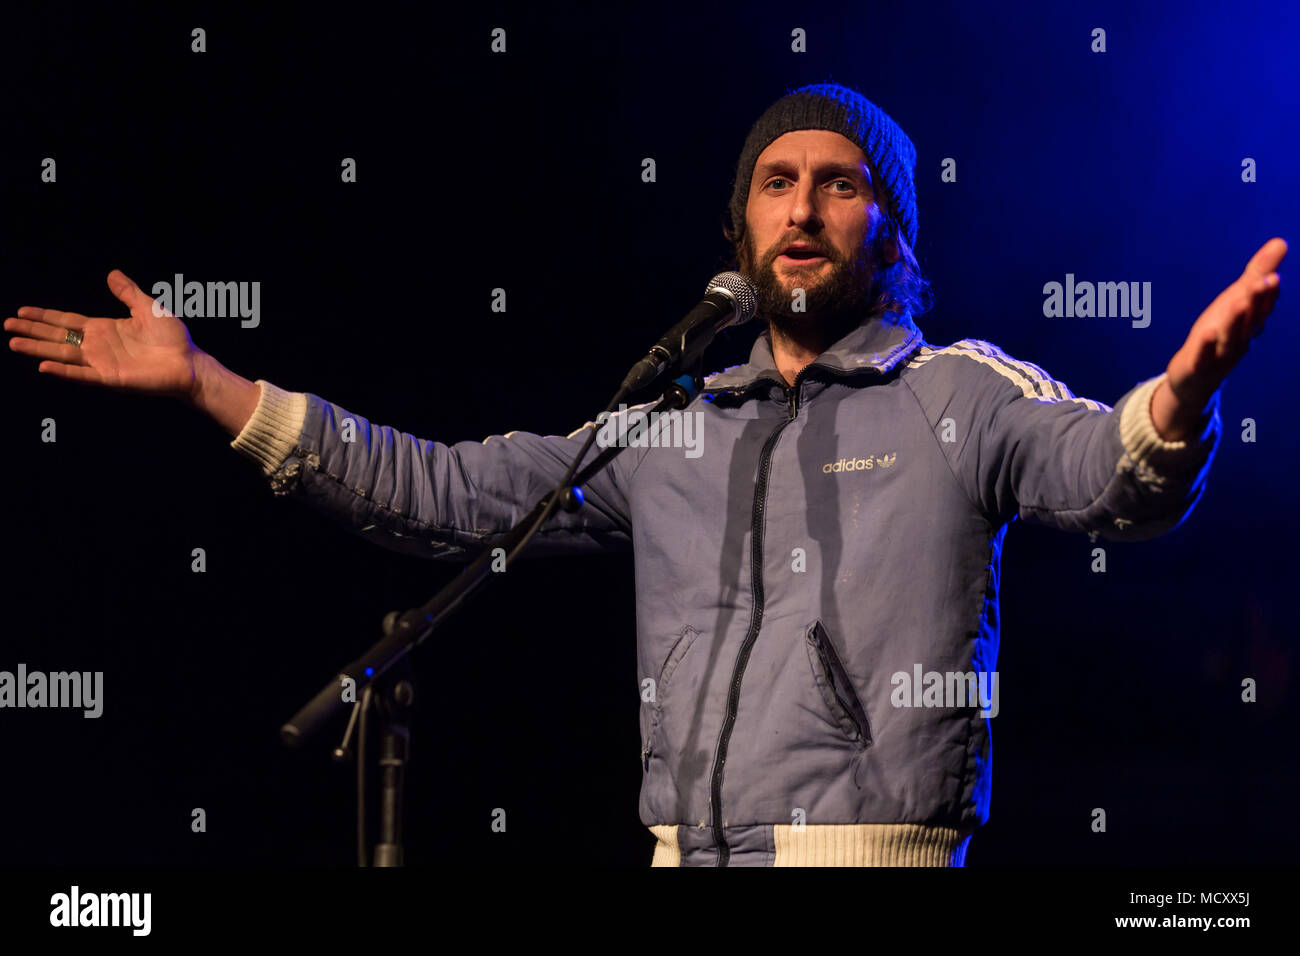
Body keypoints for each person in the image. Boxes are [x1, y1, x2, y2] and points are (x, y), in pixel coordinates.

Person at [5, 84, 1284, 867]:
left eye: (838, 186)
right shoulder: (677, 423)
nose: (800, 208)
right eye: (775, 183)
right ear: (738, 226)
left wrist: (1177, 399)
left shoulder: (952, 389)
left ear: (887, 225)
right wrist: (214, 388)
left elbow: (1106, 473)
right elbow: (448, 493)